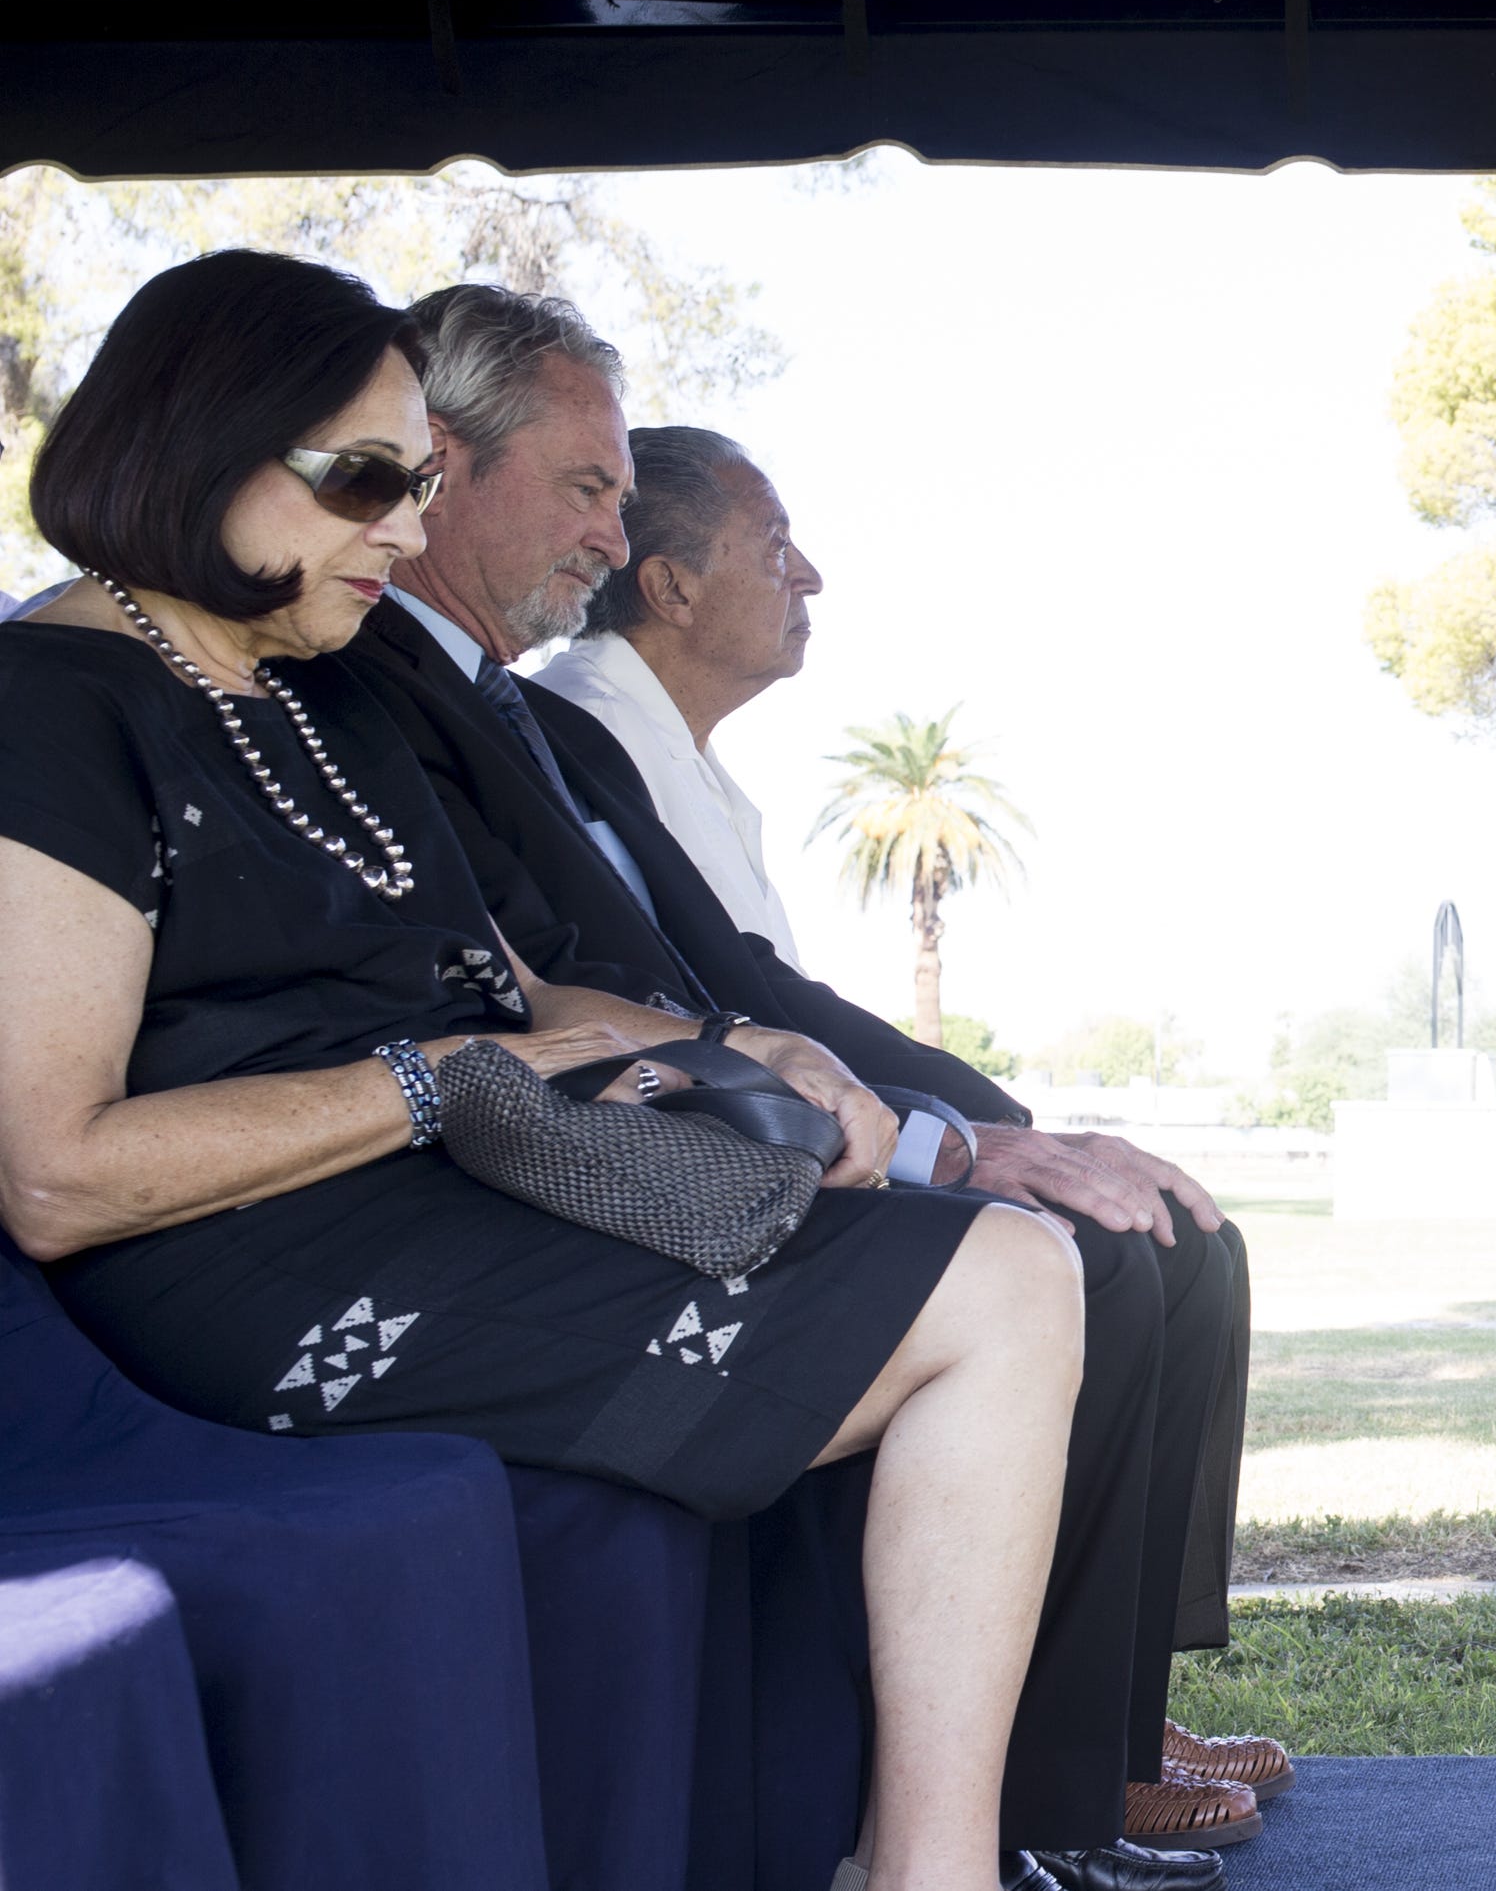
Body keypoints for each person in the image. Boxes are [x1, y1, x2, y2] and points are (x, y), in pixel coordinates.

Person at [0, 248, 1083, 1891]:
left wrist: (736, 1048)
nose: (406, 527)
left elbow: (514, 989)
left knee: (1009, 1261)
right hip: (253, 1258)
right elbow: (58, 1172)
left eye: (424, 481)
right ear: (197, 441)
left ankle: (921, 1861)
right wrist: (438, 1077)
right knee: (985, 1297)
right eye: (366, 479)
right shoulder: (49, 705)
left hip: (469, 1167)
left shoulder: (314, 696)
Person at [331, 286, 1269, 1889]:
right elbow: (548, 999)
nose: (612, 536)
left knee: (1118, 1235)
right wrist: (946, 1145)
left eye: (625, 498)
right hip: (547, 1173)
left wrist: (985, 1128)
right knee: (1059, 1265)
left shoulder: (500, 704)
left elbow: (704, 980)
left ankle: (1057, 1768)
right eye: (587, 490)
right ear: (440, 463)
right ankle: (1008, 1816)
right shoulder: (399, 691)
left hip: (654, 1121)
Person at [531, 425, 811, 960]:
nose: (809, 577)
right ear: (671, 589)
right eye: (777, 547)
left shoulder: (662, 741)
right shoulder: (582, 738)